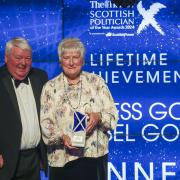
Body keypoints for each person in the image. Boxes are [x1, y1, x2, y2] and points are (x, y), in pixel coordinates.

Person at [40, 38, 118, 180]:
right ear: (60, 61)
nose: (71, 62)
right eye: (66, 58)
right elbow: (46, 124)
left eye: (75, 57)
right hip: (61, 159)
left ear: (82, 60)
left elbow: (112, 118)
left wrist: (98, 116)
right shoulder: (50, 88)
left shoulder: (97, 82)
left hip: (94, 158)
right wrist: (62, 137)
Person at [0, 37, 48, 180]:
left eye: (28, 58)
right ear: (6, 58)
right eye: (18, 57)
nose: (23, 63)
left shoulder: (40, 77)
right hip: (5, 161)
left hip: (34, 160)